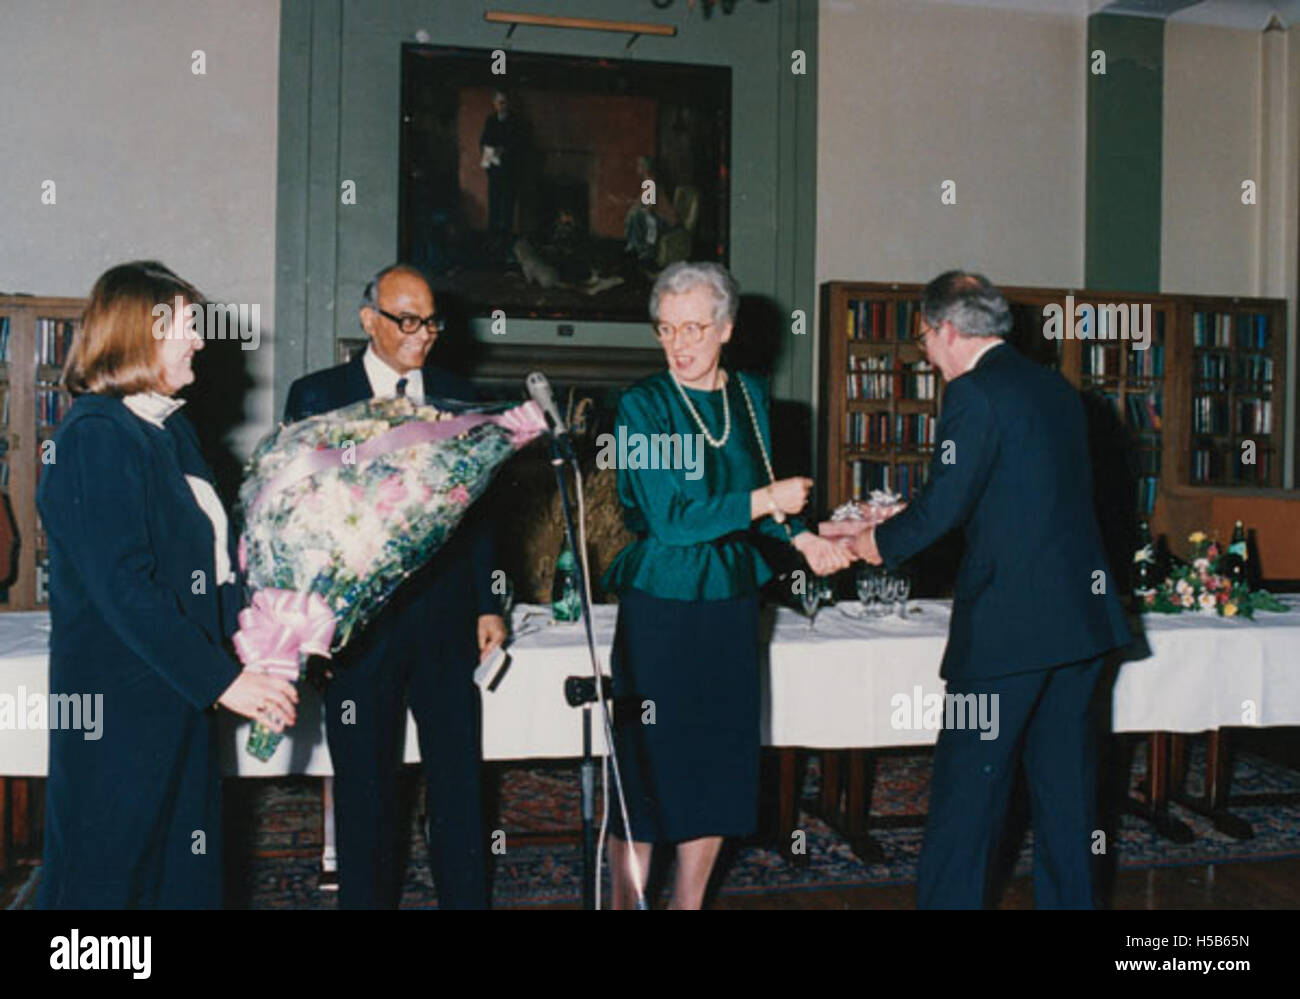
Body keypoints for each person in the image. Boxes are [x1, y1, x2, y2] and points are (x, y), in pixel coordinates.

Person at [851, 270, 1132, 909]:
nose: (924, 352)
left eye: (924, 337)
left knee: (966, 799)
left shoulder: (974, 393)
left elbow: (945, 507)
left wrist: (872, 544)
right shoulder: (1056, 390)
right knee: (1069, 800)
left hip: (1009, 636)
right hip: (1080, 629)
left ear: (947, 330)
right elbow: (1021, 500)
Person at [37, 261, 297, 908]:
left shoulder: (168, 429)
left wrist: (266, 639)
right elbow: (125, 589)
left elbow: (212, 568)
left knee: (178, 881)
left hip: (179, 699)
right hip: (118, 715)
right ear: (141, 330)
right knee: (107, 888)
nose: (201, 340)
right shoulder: (95, 436)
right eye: (188, 324)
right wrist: (224, 680)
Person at [602, 261, 852, 909]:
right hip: (662, 604)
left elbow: (766, 494)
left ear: (727, 328)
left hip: (731, 603)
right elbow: (669, 520)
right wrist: (765, 498)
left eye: (694, 327)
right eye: (666, 329)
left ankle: (687, 906)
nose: (679, 343)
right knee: (647, 772)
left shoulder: (749, 396)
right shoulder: (643, 406)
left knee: (715, 766)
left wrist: (804, 539)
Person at [284, 263, 505, 909]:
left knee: (459, 782)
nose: (422, 333)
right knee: (365, 788)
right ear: (368, 319)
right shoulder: (317, 395)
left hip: (446, 618)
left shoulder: (459, 393)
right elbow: (295, 512)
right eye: (406, 319)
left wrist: (489, 600)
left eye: (431, 320)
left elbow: (481, 508)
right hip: (358, 628)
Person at [480, 90, 521, 255]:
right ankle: (493, 239)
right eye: (498, 102)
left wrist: (503, 150)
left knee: (507, 206)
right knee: (494, 204)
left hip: (509, 170)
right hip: (494, 169)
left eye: (503, 102)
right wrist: (489, 151)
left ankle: (506, 242)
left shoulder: (515, 121)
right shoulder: (490, 121)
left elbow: (518, 143)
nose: (501, 105)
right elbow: (483, 141)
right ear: (494, 104)